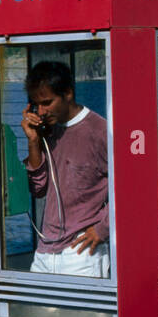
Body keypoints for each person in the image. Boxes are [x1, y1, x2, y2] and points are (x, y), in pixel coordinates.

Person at [20, 60, 110, 278]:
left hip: (80, 251)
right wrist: (34, 141)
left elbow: (133, 185)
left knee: (83, 313)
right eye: (36, 104)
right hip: (45, 248)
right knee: (37, 312)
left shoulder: (99, 131)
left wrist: (103, 229)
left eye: (47, 103)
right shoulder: (48, 132)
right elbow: (38, 188)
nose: (41, 111)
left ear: (68, 93)